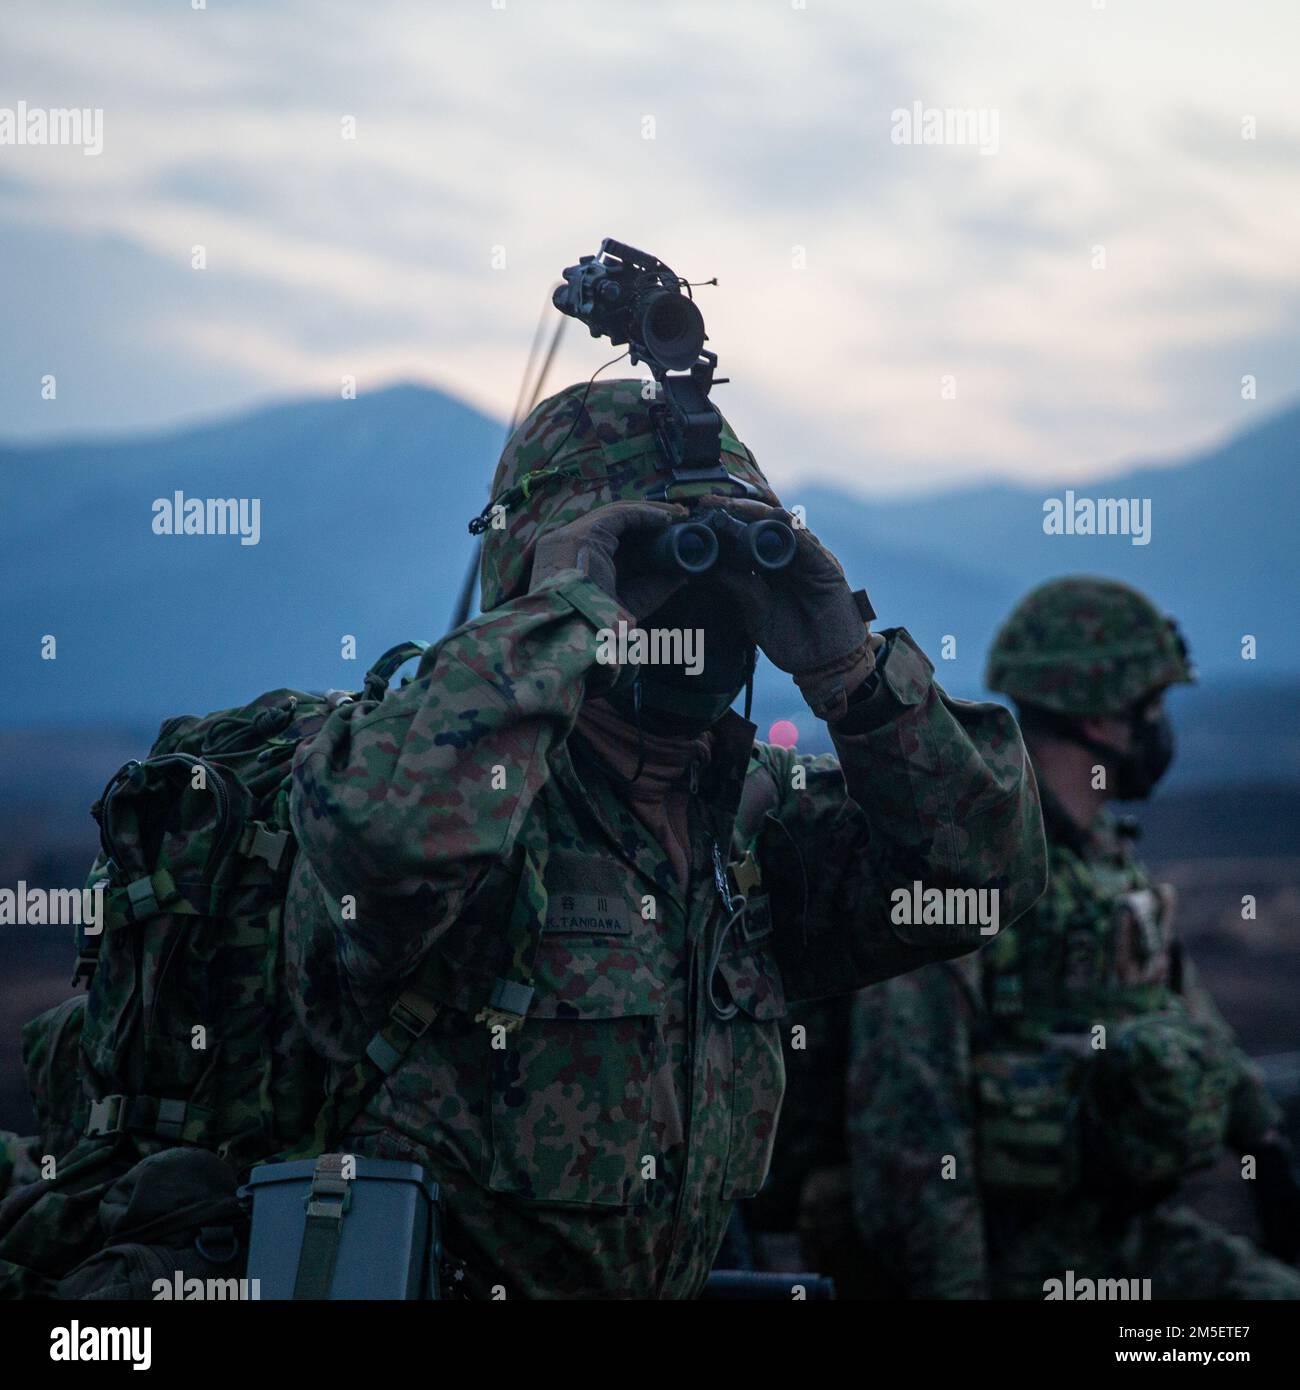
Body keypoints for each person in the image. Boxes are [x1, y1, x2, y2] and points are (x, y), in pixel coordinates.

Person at [281, 377, 1047, 1299]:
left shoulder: (753, 826)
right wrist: (566, 616)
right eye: (650, 557)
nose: (693, 604)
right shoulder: (445, 793)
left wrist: (854, 673)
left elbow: (985, 880)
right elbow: (388, 848)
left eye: (721, 563)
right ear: (535, 576)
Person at [802, 576, 1300, 1299]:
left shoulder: (1104, 858)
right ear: (1099, 721)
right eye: (1152, 708)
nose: (1162, 732)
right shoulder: (974, 869)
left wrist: (1264, 1143)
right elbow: (910, 1135)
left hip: (1118, 1238)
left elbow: (1183, 1006)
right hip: (1016, 1264)